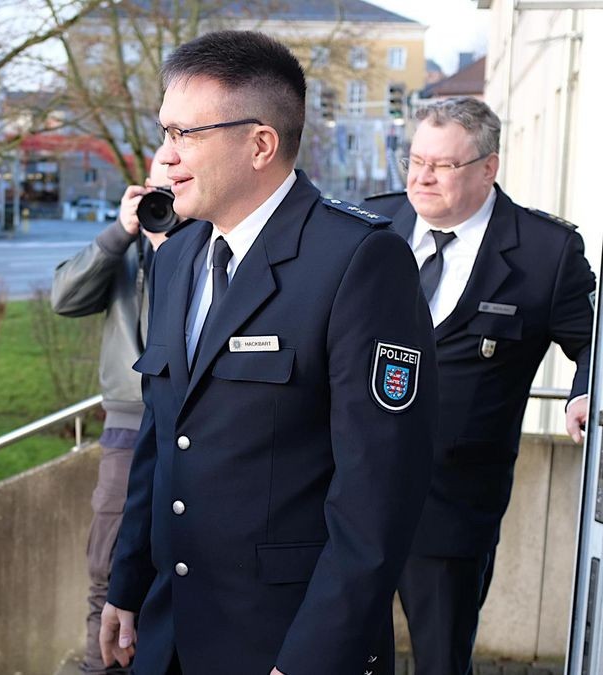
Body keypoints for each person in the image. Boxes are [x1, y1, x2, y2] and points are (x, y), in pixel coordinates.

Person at [98, 31, 439, 675]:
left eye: (186, 135)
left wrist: (314, 657)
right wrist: (127, 584)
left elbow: (378, 494)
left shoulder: (357, 260)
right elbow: (161, 439)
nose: (165, 159)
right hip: (171, 629)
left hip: (285, 642)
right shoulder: (179, 258)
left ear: (261, 144)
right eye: (166, 132)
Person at [361, 97, 595, 675]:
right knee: (337, 656)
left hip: (452, 505)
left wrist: (587, 391)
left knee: (442, 661)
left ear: (488, 168)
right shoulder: (366, 226)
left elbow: (594, 341)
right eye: (414, 160)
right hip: (343, 493)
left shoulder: (546, 252)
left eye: (442, 166)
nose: (421, 177)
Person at [51, 164, 176, 675]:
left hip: (188, 421)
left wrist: (173, 244)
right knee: (105, 569)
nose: (162, 204)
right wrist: (120, 233)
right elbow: (64, 296)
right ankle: (98, 668)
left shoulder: (206, 246)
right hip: (127, 423)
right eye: (155, 190)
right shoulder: (125, 249)